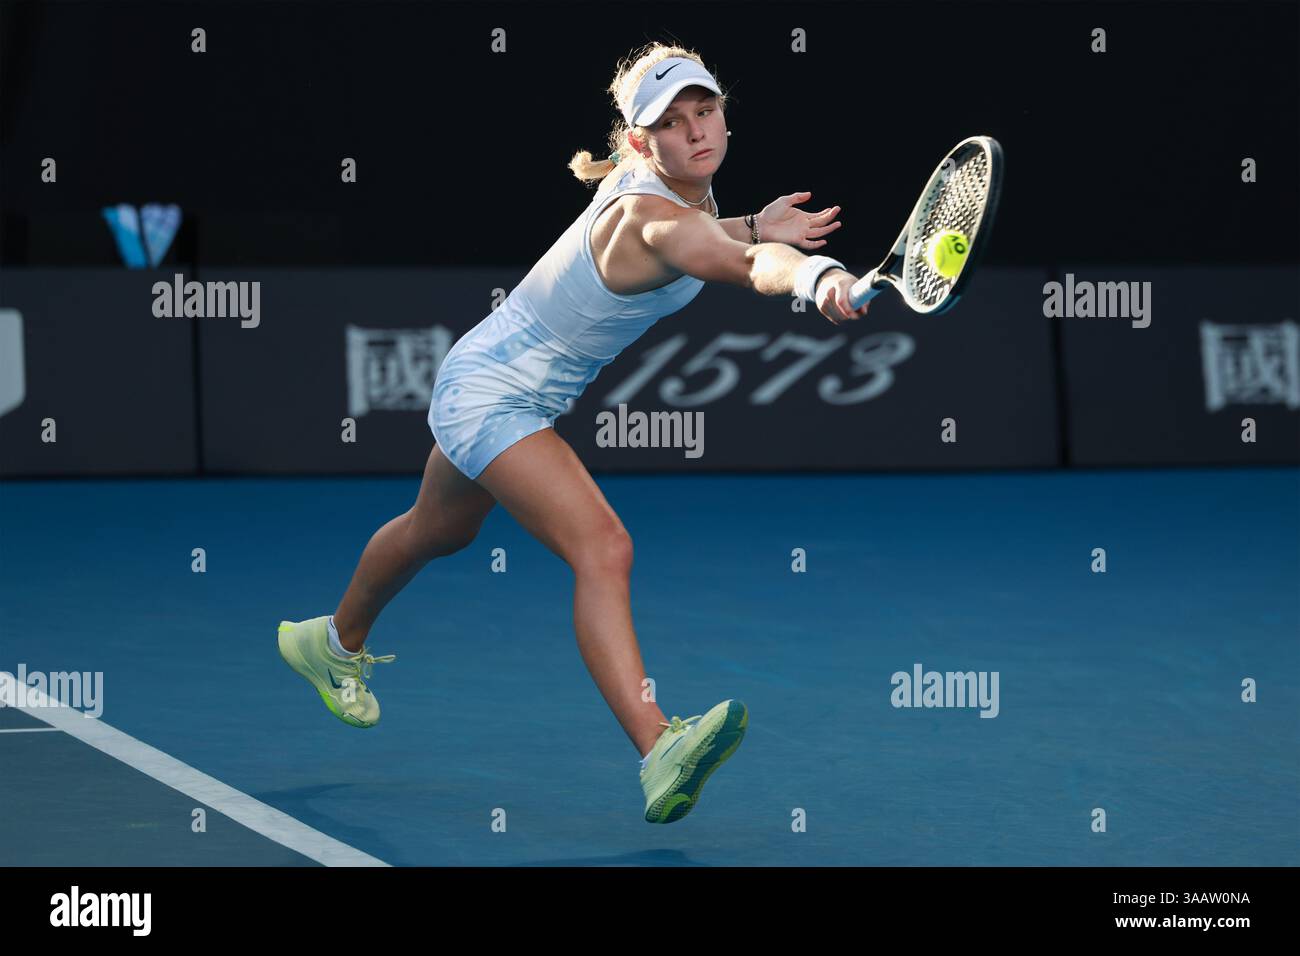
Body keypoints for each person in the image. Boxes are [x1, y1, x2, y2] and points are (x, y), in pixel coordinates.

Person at [278, 41, 871, 825]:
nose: (697, 132)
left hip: (483, 374)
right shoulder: (653, 218)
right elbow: (737, 264)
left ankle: (330, 643)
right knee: (604, 547)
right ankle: (659, 746)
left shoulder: (670, 198)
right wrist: (812, 276)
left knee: (437, 530)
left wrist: (754, 221)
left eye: (707, 110)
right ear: (637, 141)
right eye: (672, 122)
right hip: (494, 398)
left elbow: (714, 238)